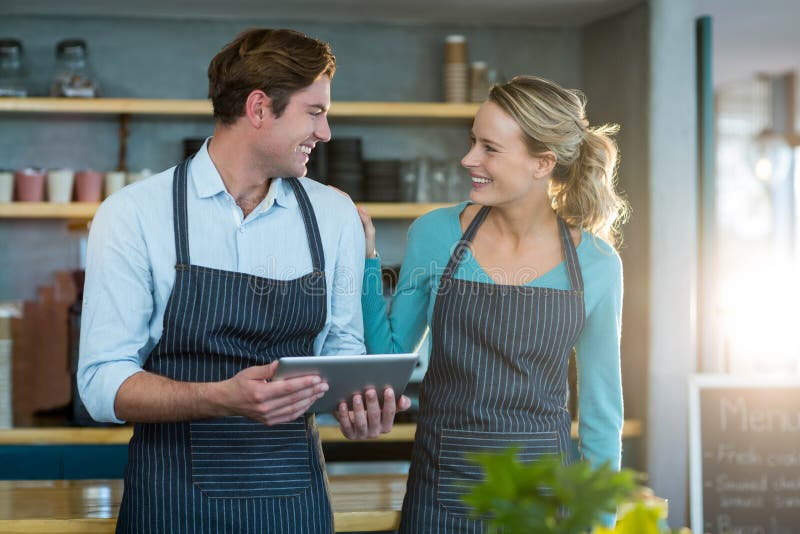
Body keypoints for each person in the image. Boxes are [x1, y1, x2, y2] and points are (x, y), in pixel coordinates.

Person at [78, 28, 408, 534]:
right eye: (314, 112)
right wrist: (221, 397)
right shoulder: (133, 215)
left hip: (295, 502)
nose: (326, 133)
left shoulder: (335, 215)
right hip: (171, 504)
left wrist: (361, 405)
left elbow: (343, 349)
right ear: (258, 108)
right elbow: (101, 383)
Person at [358, 75, 627, 532]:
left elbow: (603, 410)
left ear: (542, 162)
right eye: (471, 142)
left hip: (549, 502)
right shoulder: (436, 234)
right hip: (443, 489)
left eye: (489, 148)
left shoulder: (597, 263)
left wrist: (598, 521)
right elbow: (389, 360)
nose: (469, 159)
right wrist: (366, 264)